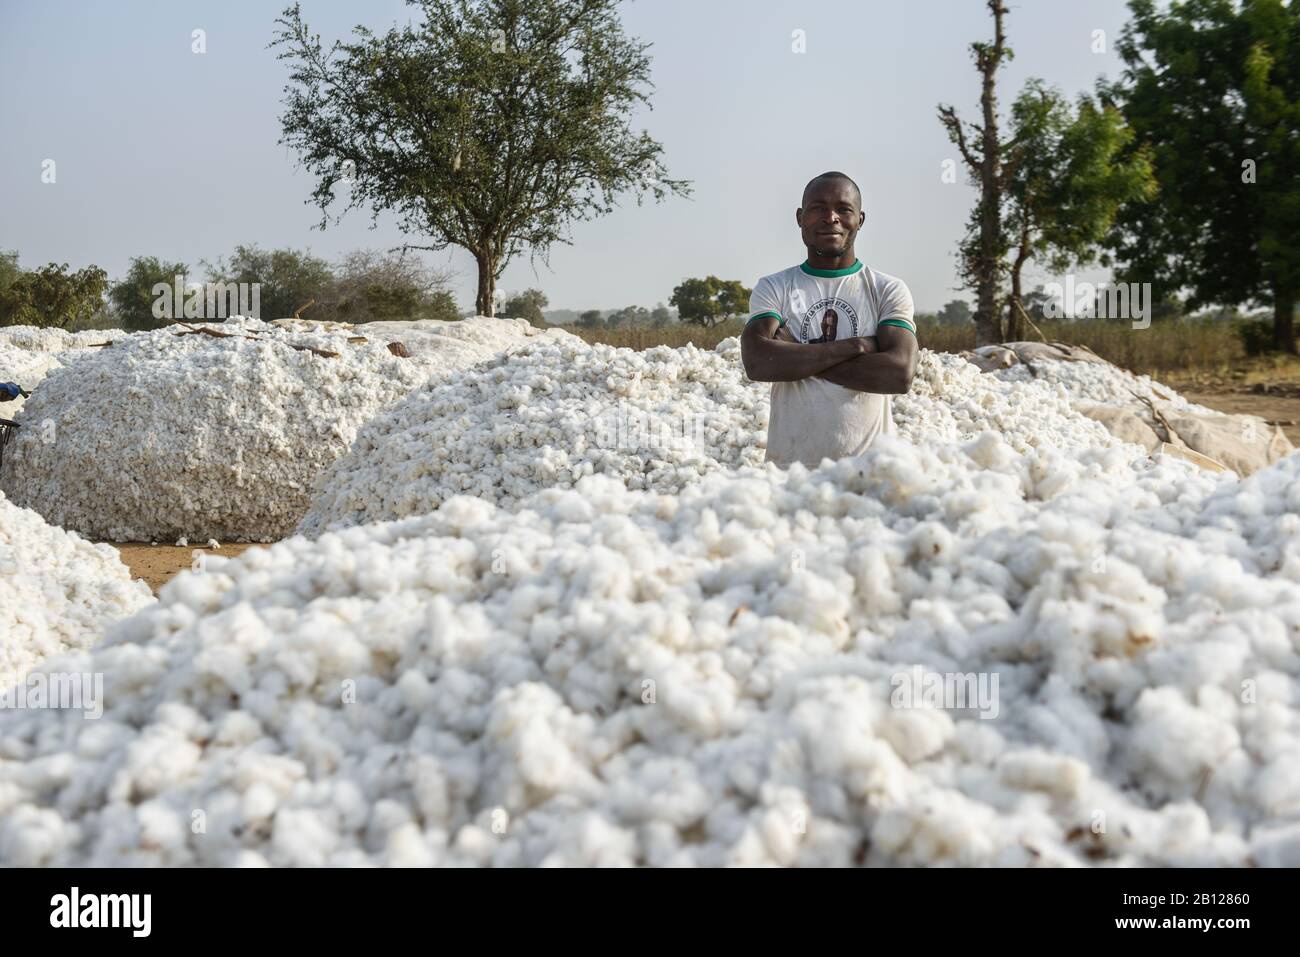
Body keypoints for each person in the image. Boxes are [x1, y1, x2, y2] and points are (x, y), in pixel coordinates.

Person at [740, 171, 918, 468]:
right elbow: (758, 362)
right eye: (818, 208)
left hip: (868, 476)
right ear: (800, 217)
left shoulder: (886, 289)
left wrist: (796, 353)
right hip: (790, 475)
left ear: (860, 219)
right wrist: (859, 346)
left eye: (843, 209)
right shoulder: (775, 287)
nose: (831, 217)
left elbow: (899, 374)